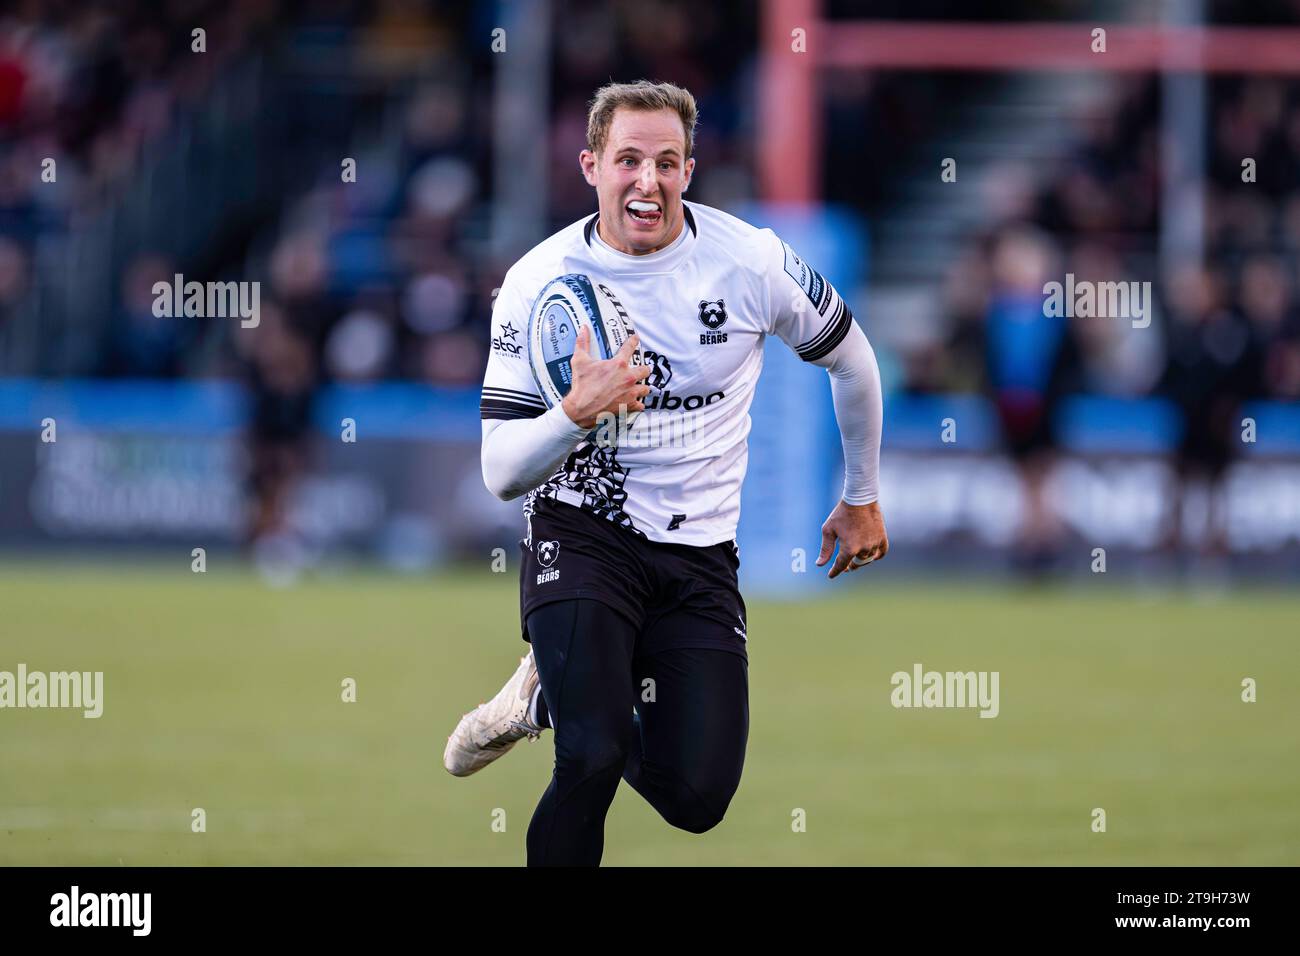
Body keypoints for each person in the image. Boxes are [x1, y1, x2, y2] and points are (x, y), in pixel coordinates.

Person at [444, 80, 887, 866]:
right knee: (593, 753)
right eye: (628, 161)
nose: (647, 181)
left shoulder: (750, 261)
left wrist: (860, 497)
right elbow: (500, 471)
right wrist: (576, 412)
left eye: (667, 162)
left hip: (700, 556)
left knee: (698, 798)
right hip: (582, 538)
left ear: (691, 168)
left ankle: (541, 696)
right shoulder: (535, 281)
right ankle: (572, 708)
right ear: (590, 166)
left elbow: (852, 362)